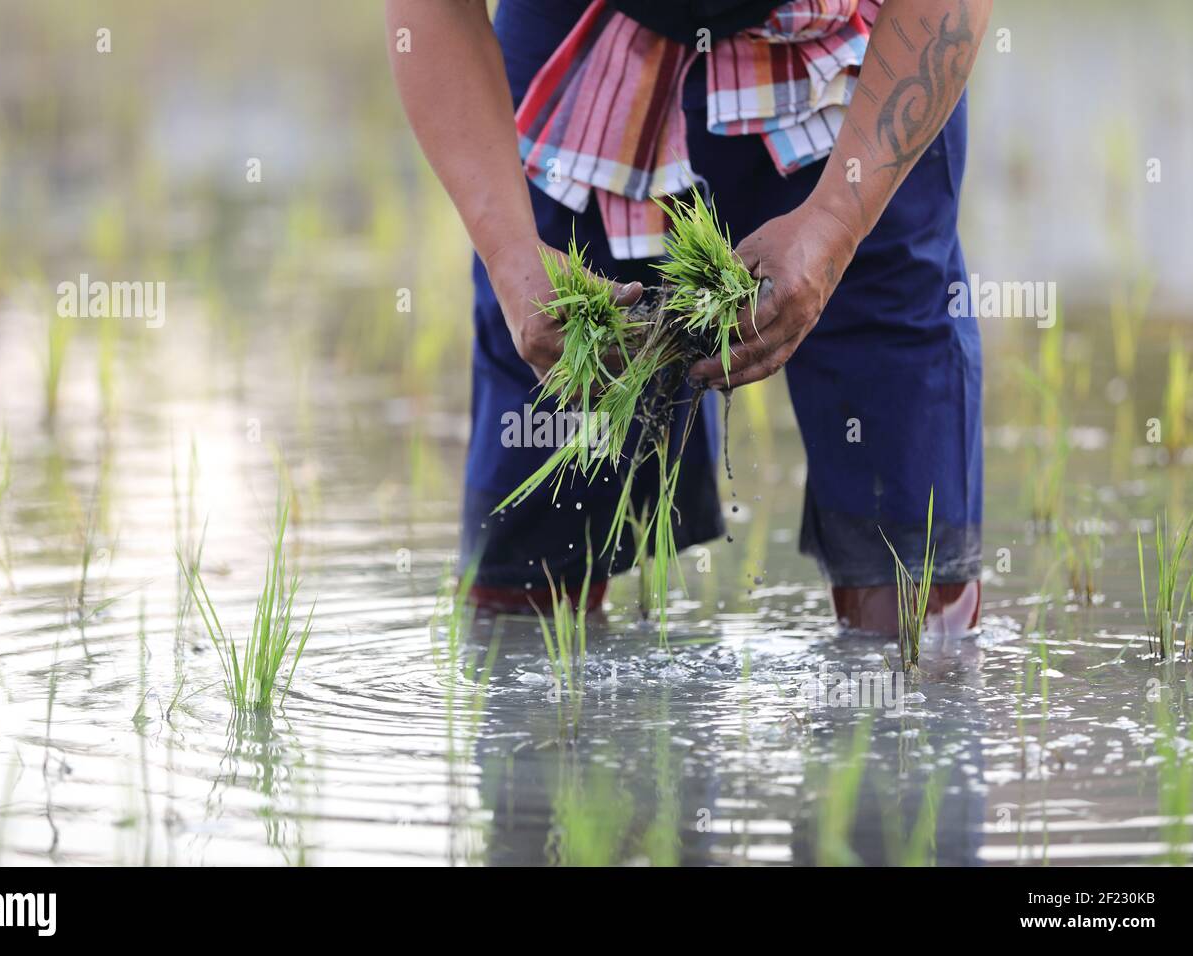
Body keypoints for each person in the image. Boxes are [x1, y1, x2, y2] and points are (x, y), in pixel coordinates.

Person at [386, 0, 992, 634]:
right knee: (520, 605)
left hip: (851, 66)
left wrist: (837, 224)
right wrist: (510, 253)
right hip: (576, 63)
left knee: (919, 606)